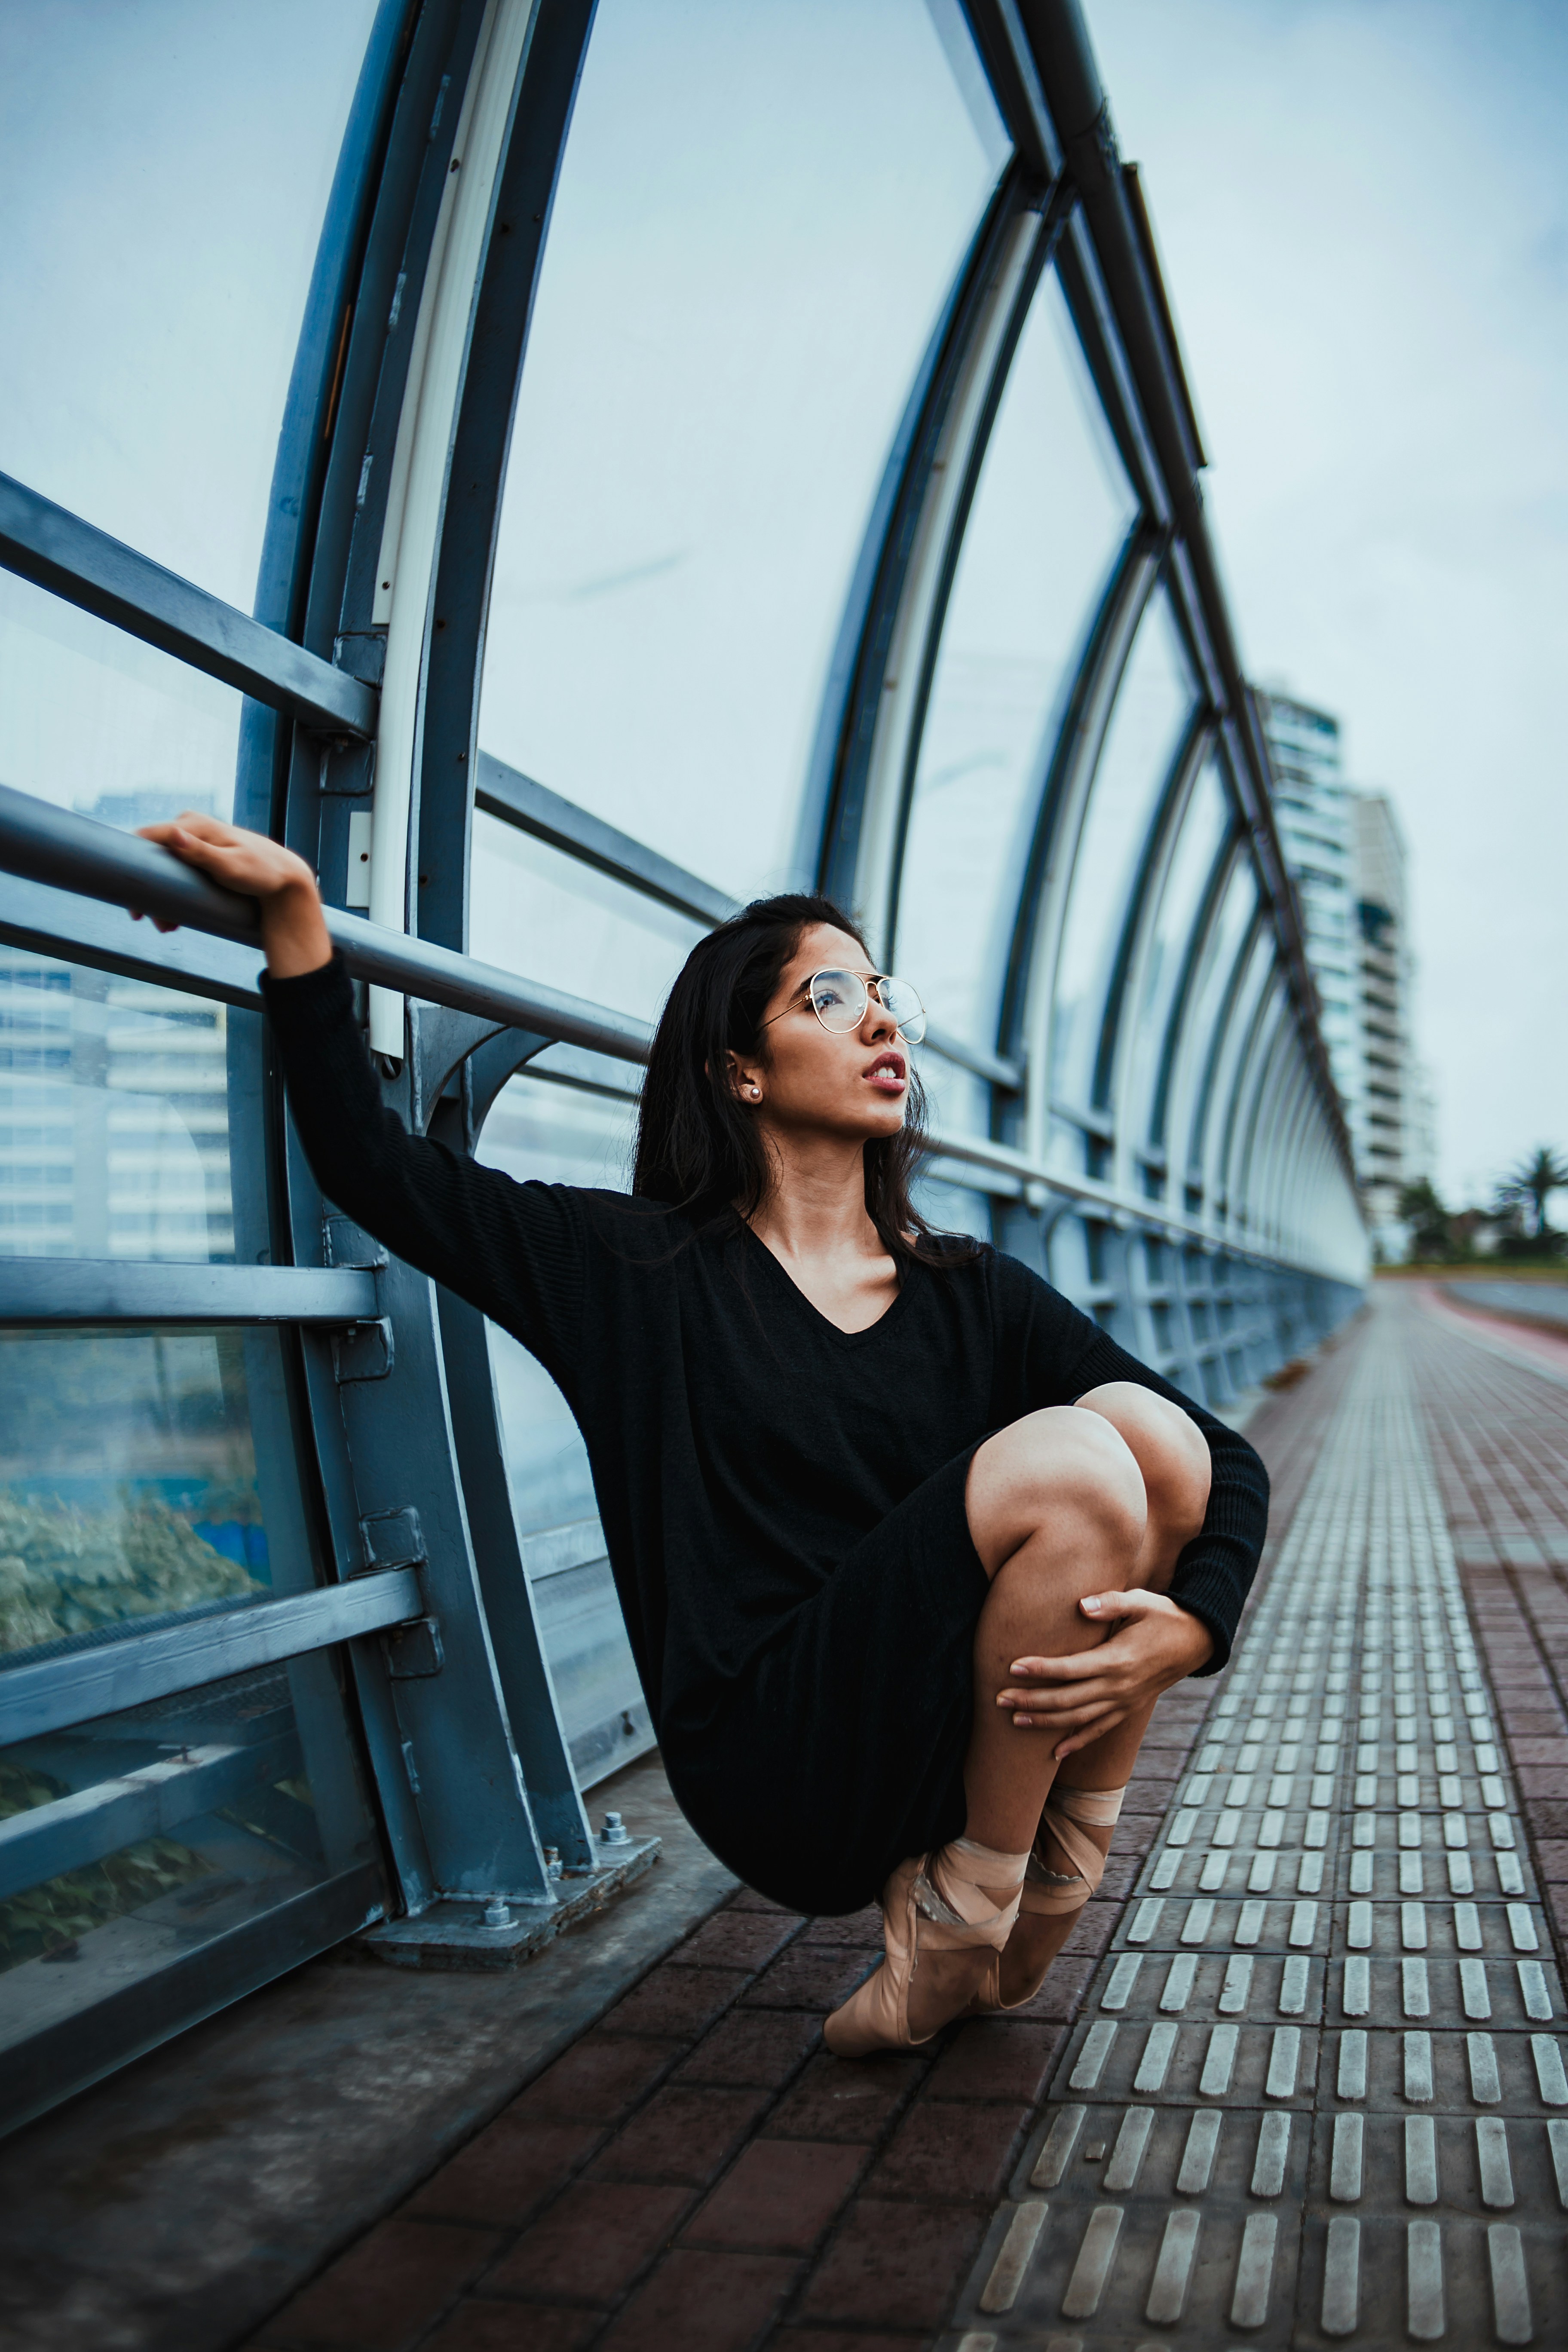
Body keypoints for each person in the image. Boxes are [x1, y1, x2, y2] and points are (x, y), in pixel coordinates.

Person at [140, 814, 1268, 2056]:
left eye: (886, 997)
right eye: (832, 1000)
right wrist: (299, 925)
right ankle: (969, 1910)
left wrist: (1197, 1623)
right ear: (742, 1070)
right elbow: (374, 1168)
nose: (884, 1023)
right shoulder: (636, 1271)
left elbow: (1220, 1457)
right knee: (1076, 1466)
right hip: (776, 1766)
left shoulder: (969, 1289)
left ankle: (1057, 1859)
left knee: (1150, 1442)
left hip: (941, 1746)